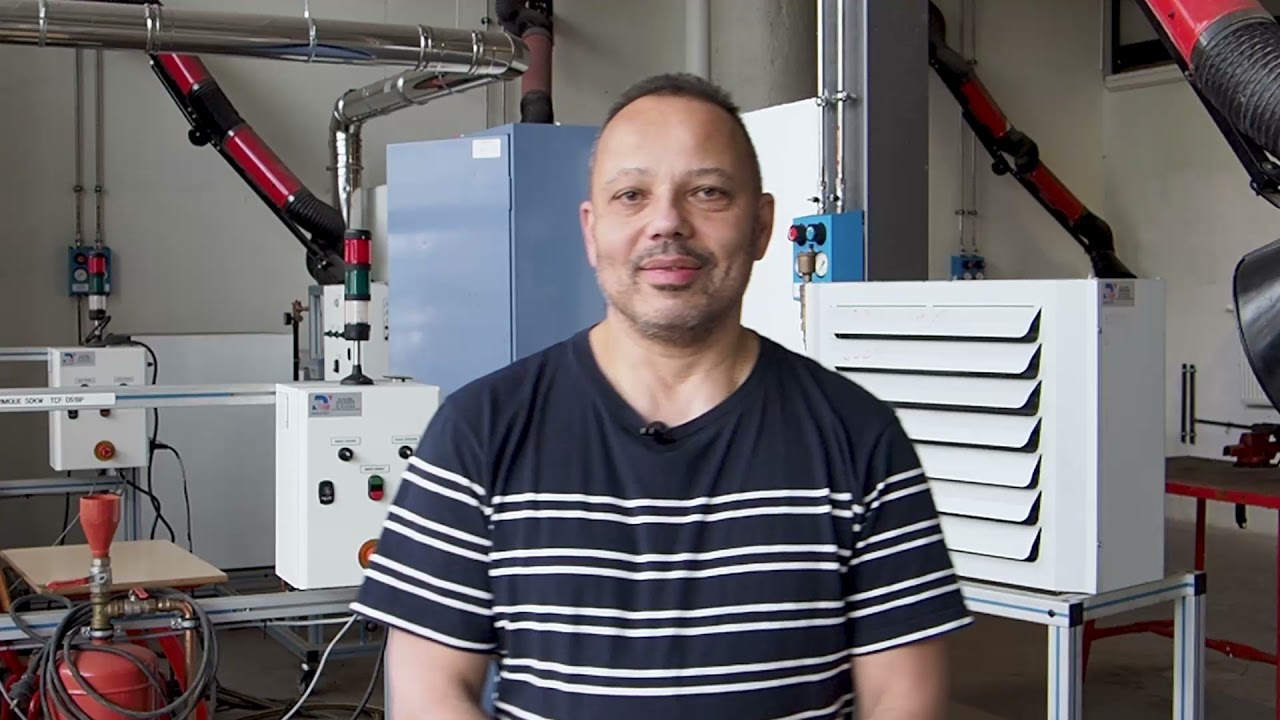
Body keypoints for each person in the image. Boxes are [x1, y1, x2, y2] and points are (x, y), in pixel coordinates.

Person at [351, 72, 972, 720]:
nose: (667, 223)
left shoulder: (859, 437)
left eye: (707, 192)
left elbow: (903, 698)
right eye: (631, 195)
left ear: (761, 225)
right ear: (591, 232)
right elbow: (428, 689)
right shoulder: (478, 432)